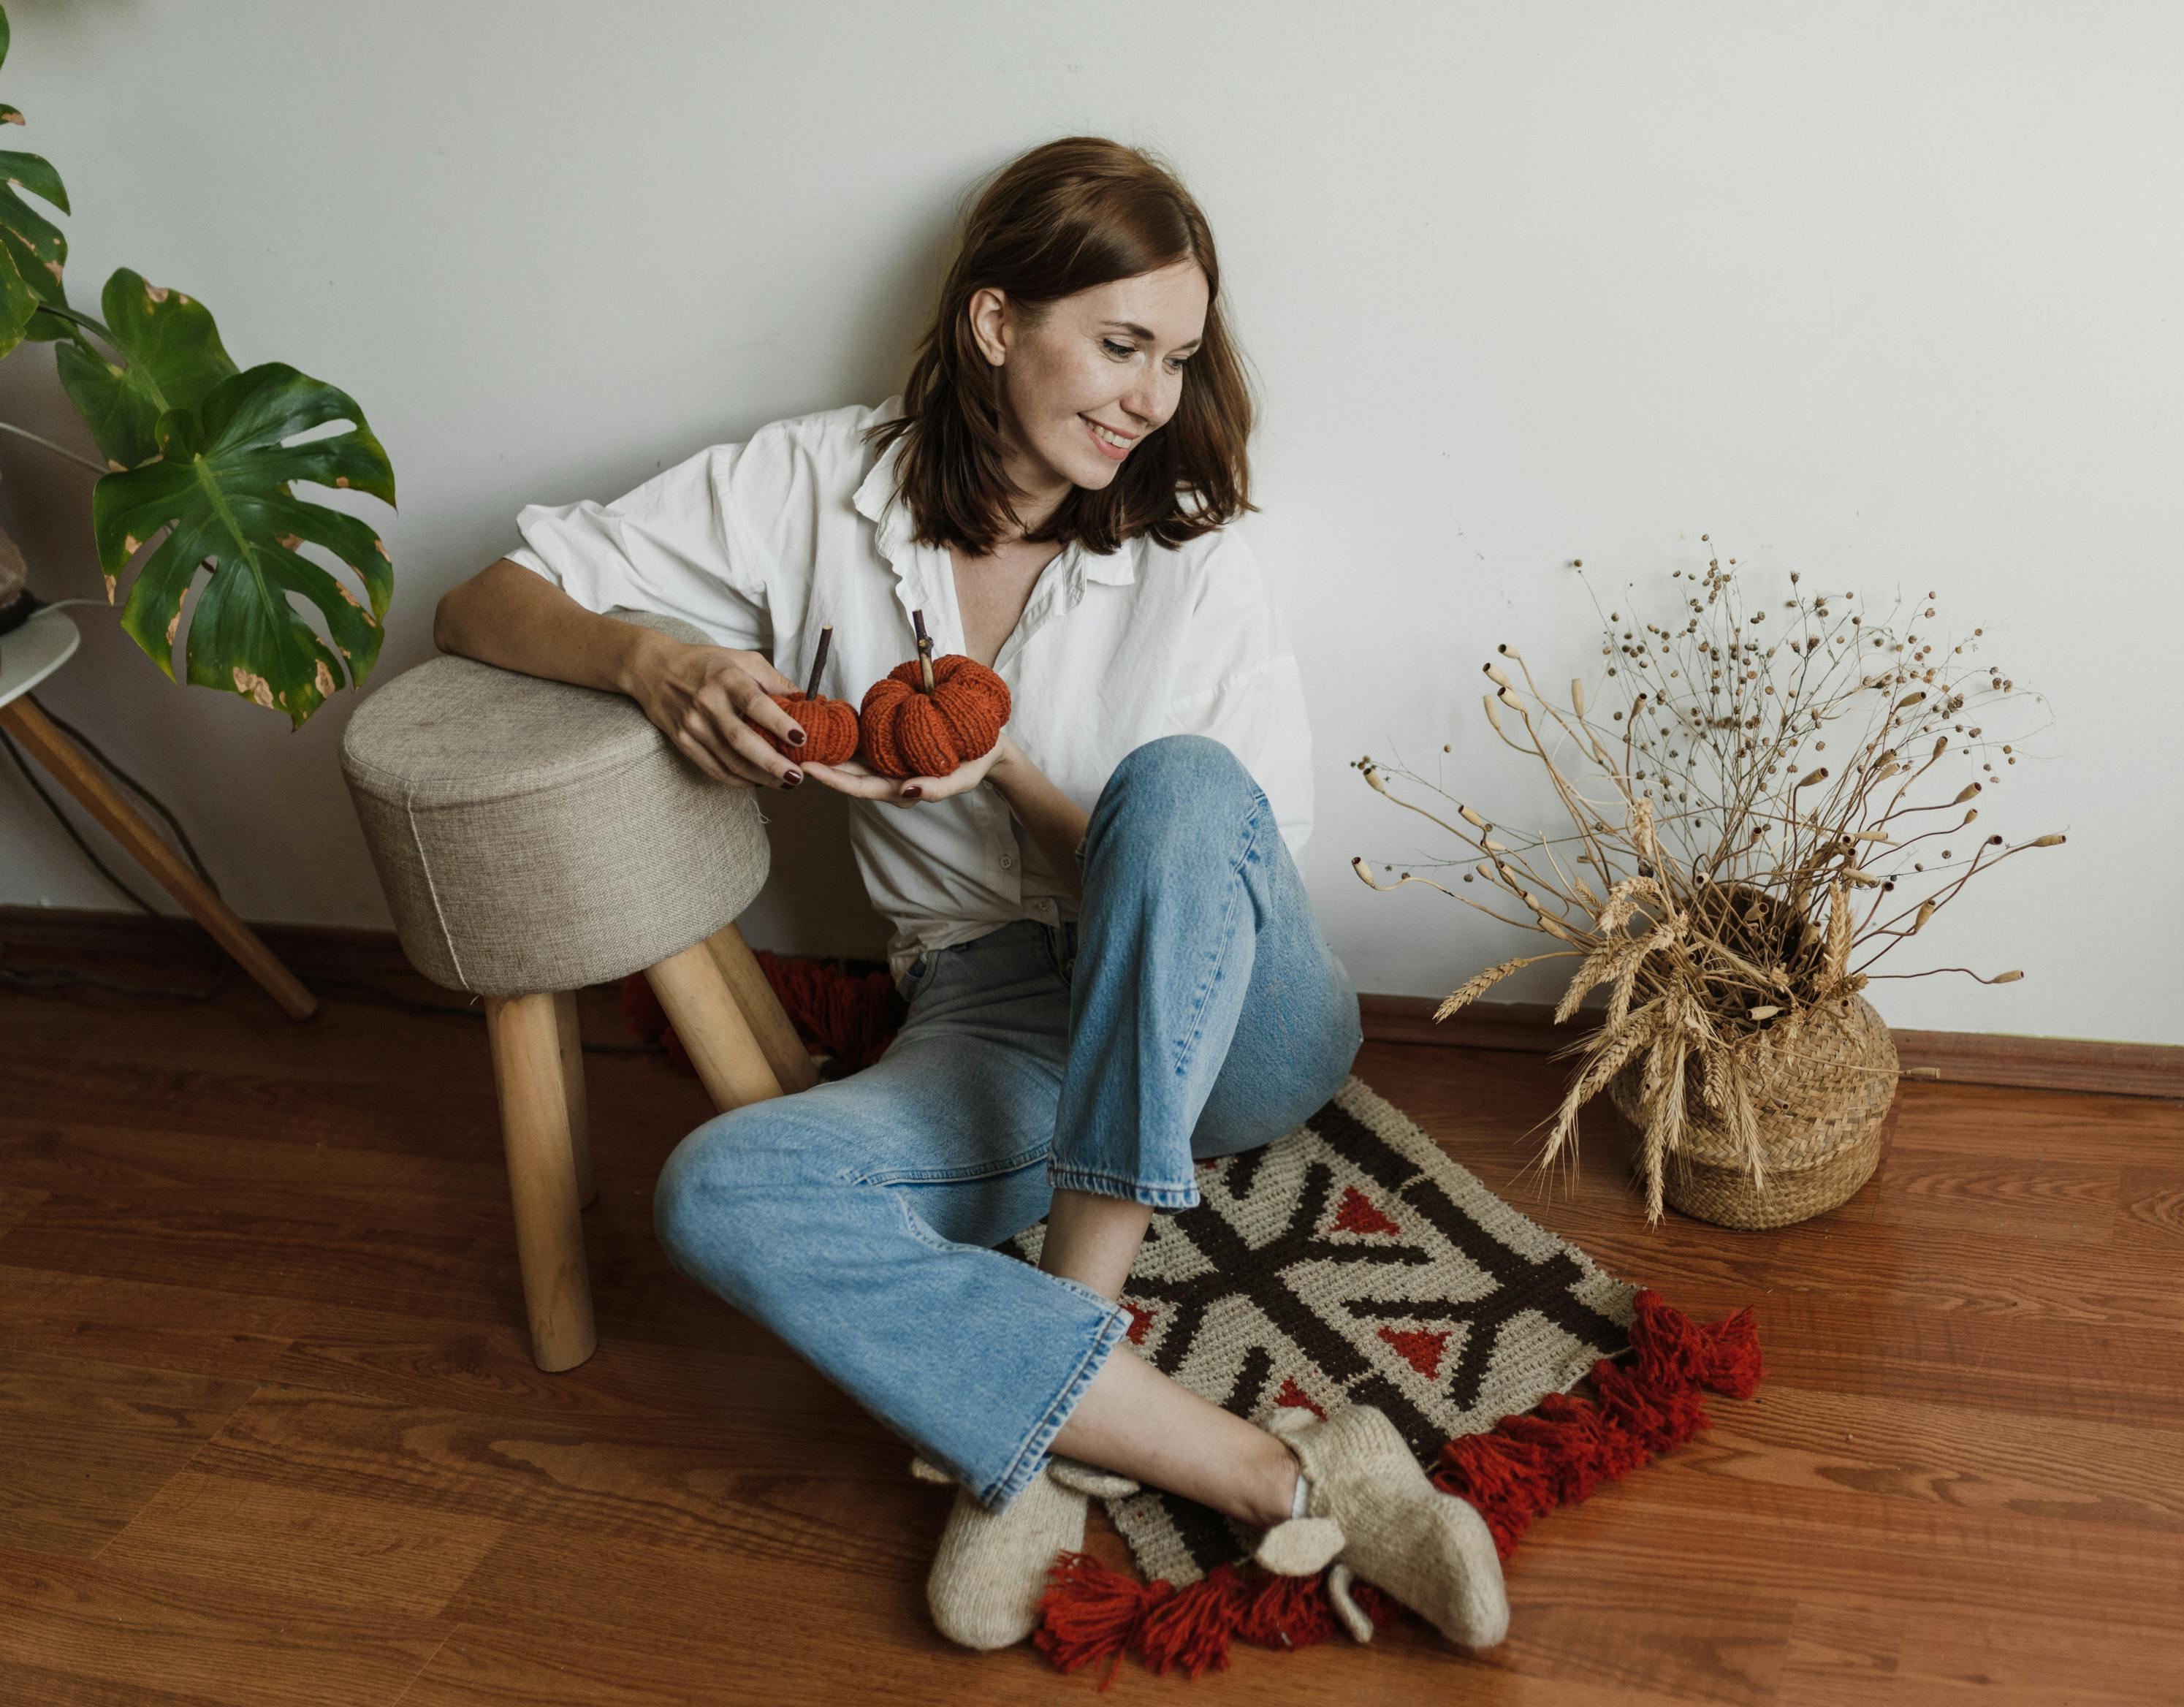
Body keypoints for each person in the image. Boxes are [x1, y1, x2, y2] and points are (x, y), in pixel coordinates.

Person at [433, 137, 1506, 1653]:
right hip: (992, 1005)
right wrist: (656, 661)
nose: (1149, 396)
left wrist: (997, 771)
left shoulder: (1197, 554)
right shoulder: (811, 482)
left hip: (1235, 1023)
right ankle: (1276, 1462)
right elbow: (479, 597)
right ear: (996, 325)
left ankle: (1060, 1341)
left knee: (1180, 782)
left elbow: (1221, 867)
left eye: (1175, 358)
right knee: (720, 1190)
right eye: (1119, 344)